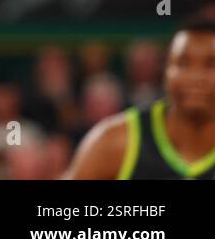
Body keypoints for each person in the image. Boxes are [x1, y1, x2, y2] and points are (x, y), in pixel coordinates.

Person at [65, 11, 215, 179]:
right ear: (165, 71)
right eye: (183, 63)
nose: (196, 77)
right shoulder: (113, 142)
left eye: (211, 64)